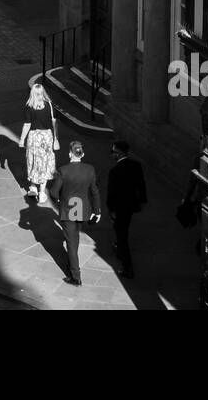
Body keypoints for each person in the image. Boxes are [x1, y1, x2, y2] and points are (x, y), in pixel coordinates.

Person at [49, 141, 101, 287]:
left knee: (71, 242)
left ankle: (75, 276)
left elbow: (53, 192)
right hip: (83, 211)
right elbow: (95, 192)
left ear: (70, 154)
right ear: (82, 154)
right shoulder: (90, 169)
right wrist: (97, 211)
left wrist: (59, 201)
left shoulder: (63, 170)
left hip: (68, 210)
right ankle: (73, 261)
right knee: (75, 237)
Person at [107, 140, 148, 279]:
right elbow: (141, 185)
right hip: (131, 205)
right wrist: (142, 201)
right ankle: (119, 248)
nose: (112, 154)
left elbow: (111, 193)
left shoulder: (114, 171)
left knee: (121, 234)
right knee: (123, 228)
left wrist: (110, 209)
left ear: (118, 153)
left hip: (120, 207)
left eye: (113, 152)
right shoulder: (136, 165)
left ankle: (127, 266)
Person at [18, 82, 59, 203]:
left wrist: (21, 139)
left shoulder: (29, 106)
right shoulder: (49, 105)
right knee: (45, 162)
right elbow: (54, 123)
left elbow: (27, 124)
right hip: (46, 136)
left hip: (34, 137)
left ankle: (32, 187)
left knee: (33, 160)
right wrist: (56, 138)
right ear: (42, 93)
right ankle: (42, 192)